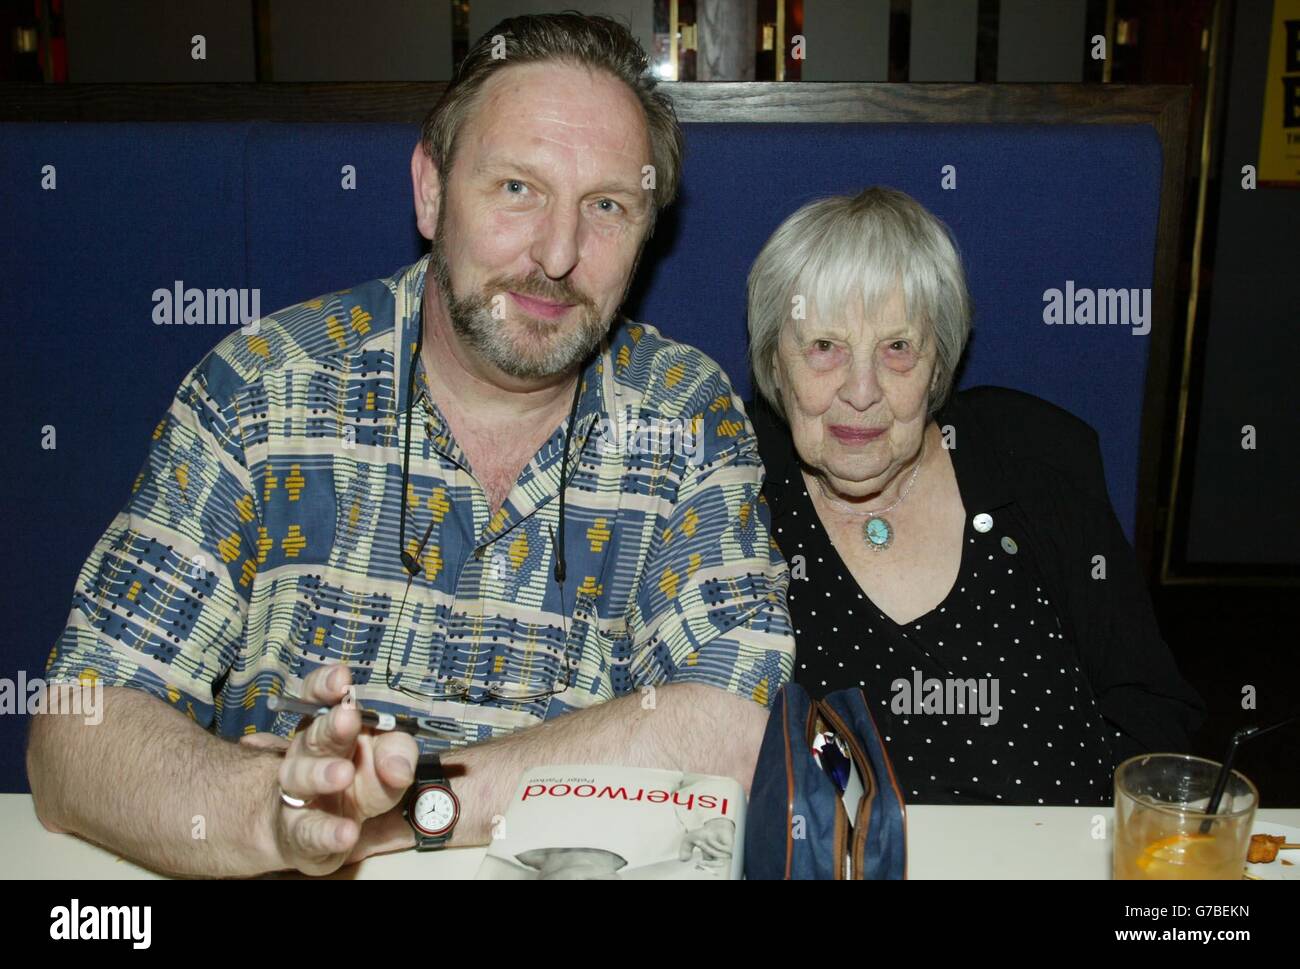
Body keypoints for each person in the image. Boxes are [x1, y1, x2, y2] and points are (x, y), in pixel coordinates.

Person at [26, 12, 793, 877]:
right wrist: (281, 819)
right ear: (430, 190)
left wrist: (393, 811)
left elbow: (735, 729)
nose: (557, 252)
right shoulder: (265, 386)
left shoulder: (684, 415)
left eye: (607, 206)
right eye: (516, 188)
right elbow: (76, 730)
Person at [745, 186, 1204, 805]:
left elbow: (1151, 709)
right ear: (775, 361)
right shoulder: (735, 492)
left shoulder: (1033, 461)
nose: (861, 391)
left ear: (940, 365)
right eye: (824, 347)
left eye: (898, 348)